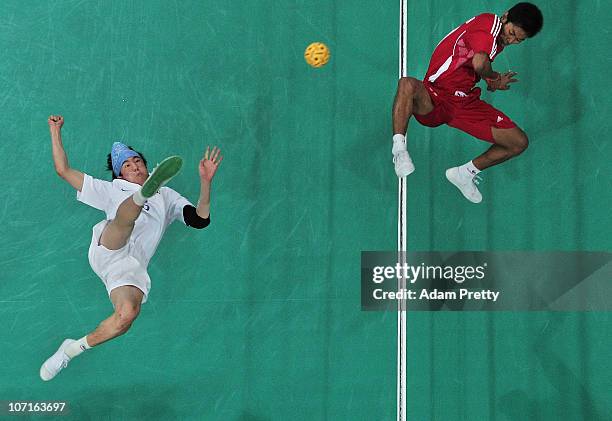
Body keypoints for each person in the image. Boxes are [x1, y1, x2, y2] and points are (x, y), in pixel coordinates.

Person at [40, 115, 222, 381]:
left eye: (137, 161)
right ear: (119, 174)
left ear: (147, 167)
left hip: (130, 266)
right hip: (110, 245)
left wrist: (206, 182)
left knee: (126, 317)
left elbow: (199, 220)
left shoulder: (168, 196)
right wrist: (55, 130)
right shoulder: (111, 189)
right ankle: (140, 196)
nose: (134, 165)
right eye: (127, 164)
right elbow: (63, 170)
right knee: (124, 224)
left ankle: (70, 350)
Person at [391, 2, 543, 203]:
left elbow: (474, 62)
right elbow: (480, 64)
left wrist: (490, 81)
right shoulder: (490, 23)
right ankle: (399, 150)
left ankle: (464, 173)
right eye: (512, 32)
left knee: (518, 142)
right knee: (407, 84)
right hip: (434, 96)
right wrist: (494, 77)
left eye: (518, 40)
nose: (511, 39)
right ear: (505, 17)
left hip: (463, 102)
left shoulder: (496, 41)